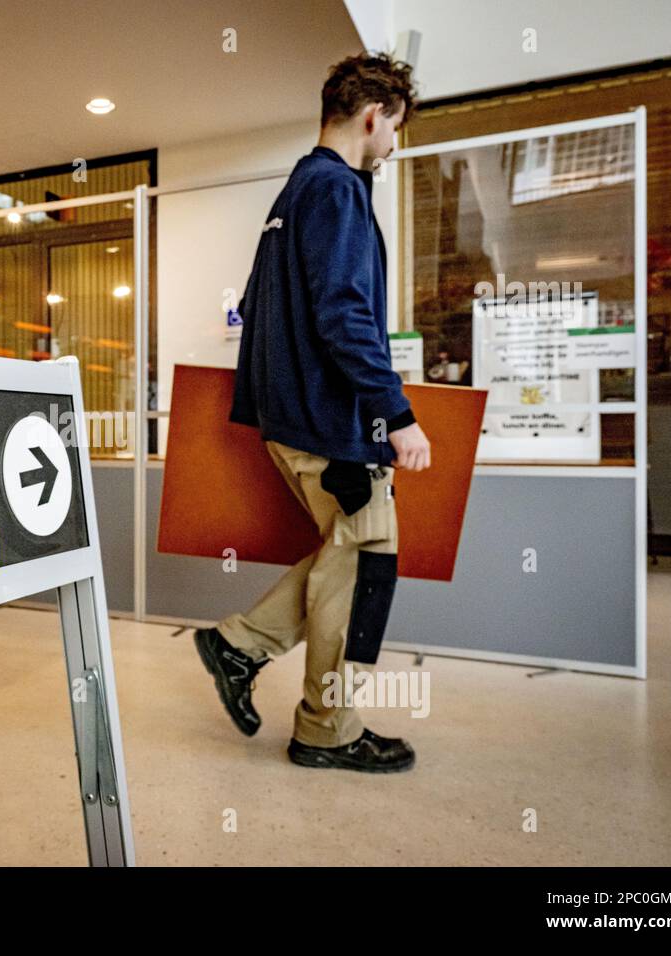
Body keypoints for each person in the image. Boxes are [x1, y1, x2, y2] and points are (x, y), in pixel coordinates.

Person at [194, 52, 431, 773]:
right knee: (363, 565)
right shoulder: (335, 192)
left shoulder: (298, 190)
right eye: (395, 129)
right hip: (334, 423)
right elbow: (344, 314)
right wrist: (396, 413)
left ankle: (244, 650)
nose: (393, 145)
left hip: (300, 418)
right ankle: (323, 725)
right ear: (372, 116)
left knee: (351, 562)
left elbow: (266, 310)